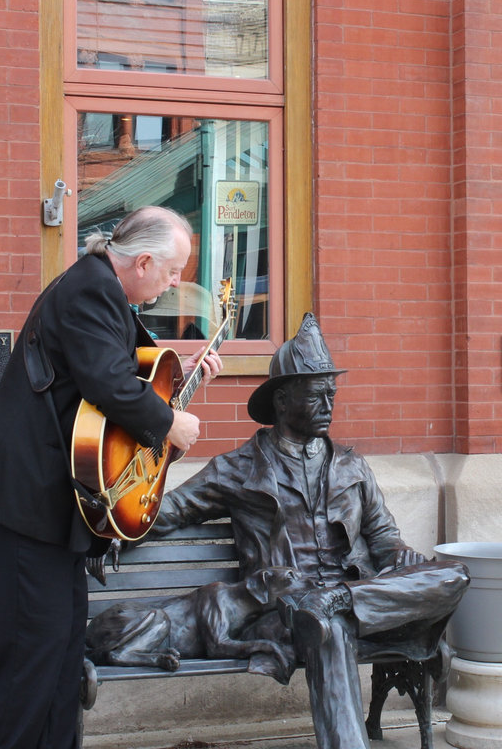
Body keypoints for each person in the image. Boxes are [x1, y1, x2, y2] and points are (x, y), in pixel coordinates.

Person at [0, 205, 222, 749]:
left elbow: (108, 398)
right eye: (172, 271)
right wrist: (169, 422)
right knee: (27, 669)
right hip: (17, 505)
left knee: (61, 663)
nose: (175, 283)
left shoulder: (103, 292)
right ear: (142, 262)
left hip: (50, 512)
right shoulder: (92, 291)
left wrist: (180, 385)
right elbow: (111, 387)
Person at [152, 312, 470, 749]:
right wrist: (103, 531)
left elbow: (384, 541)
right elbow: (164, 511)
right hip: (281, 610)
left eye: (332, 395)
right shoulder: (238, 469)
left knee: (455, 575)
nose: (329, 406)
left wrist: (408, 566)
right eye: (317, 396)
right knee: (326, 624)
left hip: (358, 598)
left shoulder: (352, 466)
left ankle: (339, 599)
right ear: (282, 401)